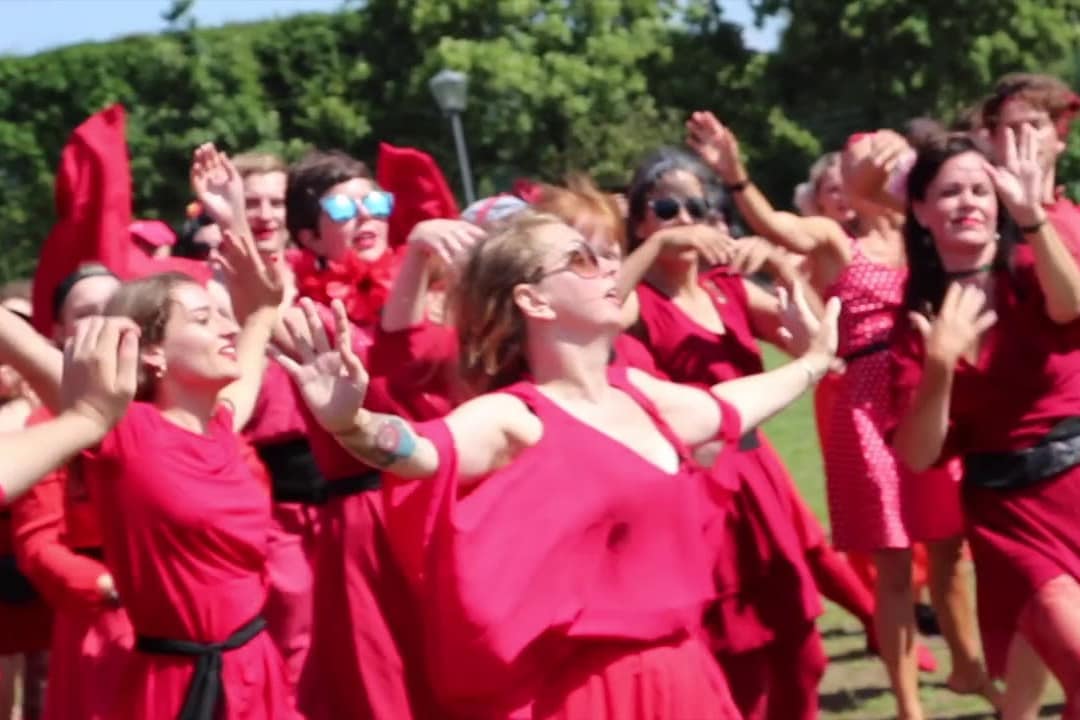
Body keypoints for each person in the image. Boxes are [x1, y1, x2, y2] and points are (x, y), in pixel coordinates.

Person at [278, 210, 841, 718]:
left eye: (601, 255)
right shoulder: (515, 417)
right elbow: (419, 450)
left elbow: (728, 408)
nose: (607, 267)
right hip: (591, 699)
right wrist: (350, 424)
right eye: (580, 259)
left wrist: (813, 363)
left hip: (688, 681)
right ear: (534, 301)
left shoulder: (644, 395)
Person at [686, 110, 994, 717]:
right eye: (861, 155)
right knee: (895, 567)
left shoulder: (921, 229)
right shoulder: (834, 240)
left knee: (951, 548)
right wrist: (736, 174)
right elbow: (776, 225)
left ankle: (969, 664)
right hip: (864, 409)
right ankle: (910, 706)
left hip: (926, 394)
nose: (878, 159)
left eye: (887, 153)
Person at [618, 147, 856, 720]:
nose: (682, 221)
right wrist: (651, 252)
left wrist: (780, 268)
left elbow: (825, 352)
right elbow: (598, 315)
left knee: (801, 648)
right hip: (692, 486)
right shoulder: (637, 300)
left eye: (696, 208)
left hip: (757, 476)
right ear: (639, 219)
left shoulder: (728, 288)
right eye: (665, 208)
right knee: (735, 652)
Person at [892, 128, 1080, 719]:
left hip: (1076, 481)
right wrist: (941, 365)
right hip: (1010, 514)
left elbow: (1072, 305)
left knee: (1038, 666)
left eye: (980, 189)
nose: (968, 202)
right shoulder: (915, 317)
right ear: (920, 210)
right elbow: (919, 454)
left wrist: (1033, 219)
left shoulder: (1028, 265)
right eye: (949, 192)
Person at [73, 222, 290, 719]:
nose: (225, 327)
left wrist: (262, 309)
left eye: (221, 315)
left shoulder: (220, 423)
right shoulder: (120, 430)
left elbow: (251, 348)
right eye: (203, 318)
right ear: (152, 351)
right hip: (178, 688)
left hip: (256, 671)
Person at [10, 265, 130, 720]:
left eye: (116, 307)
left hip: (194, 611)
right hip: (102, 624)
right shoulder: (49, 427)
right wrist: (110, 586)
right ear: (58, 331)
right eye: (86, 313)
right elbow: (39, 545)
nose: (104, 321)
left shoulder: (177, 400)